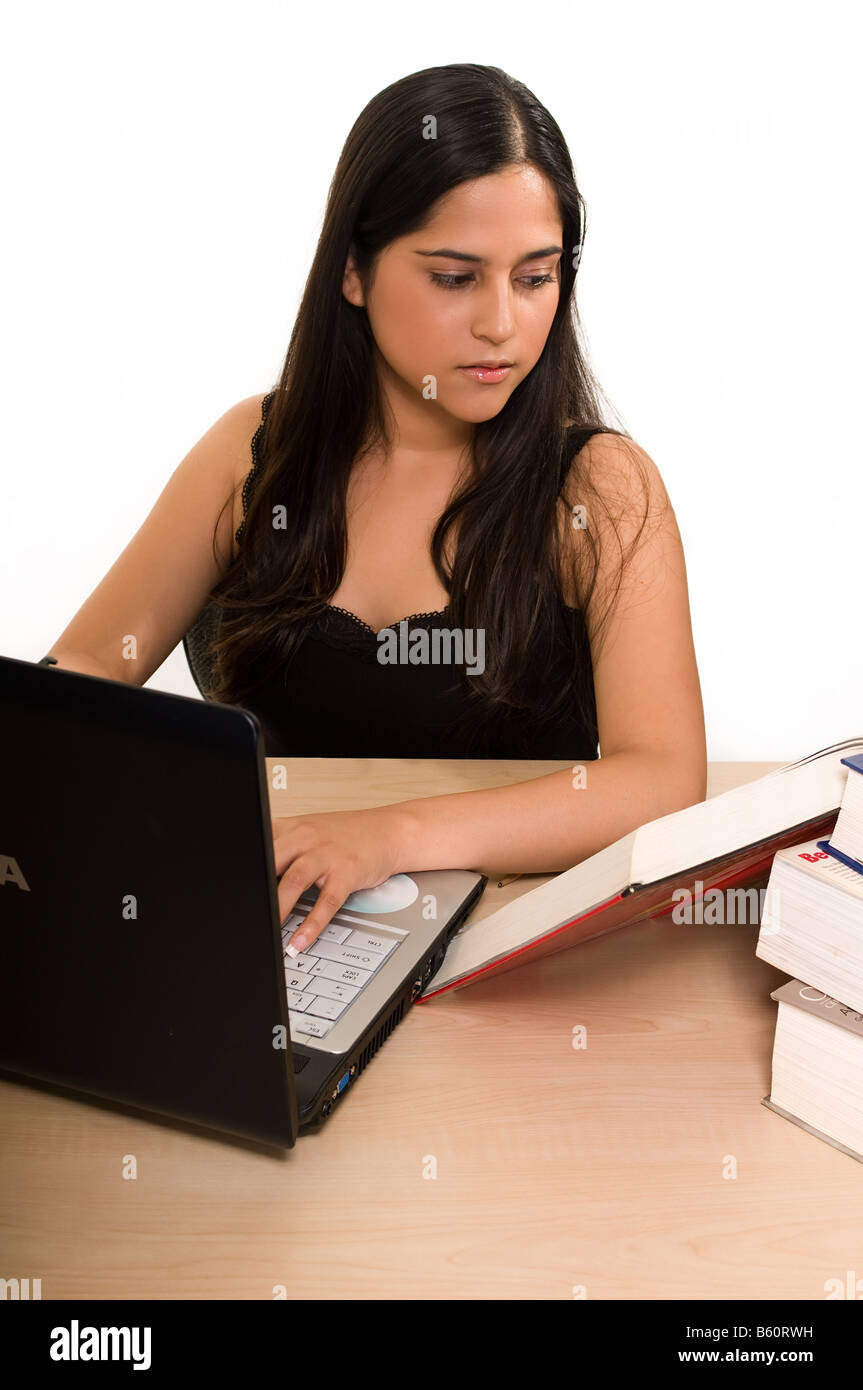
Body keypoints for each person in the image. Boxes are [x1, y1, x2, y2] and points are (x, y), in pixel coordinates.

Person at [43, 63, 707, 955]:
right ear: (353, 271)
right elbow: (91, 659)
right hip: (280, 933)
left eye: (535, 277)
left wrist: (396, 834)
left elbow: (662, 779)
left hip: (511, 949)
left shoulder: (599, 490)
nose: (501, 324)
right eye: (453, 277)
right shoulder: (253, 451)